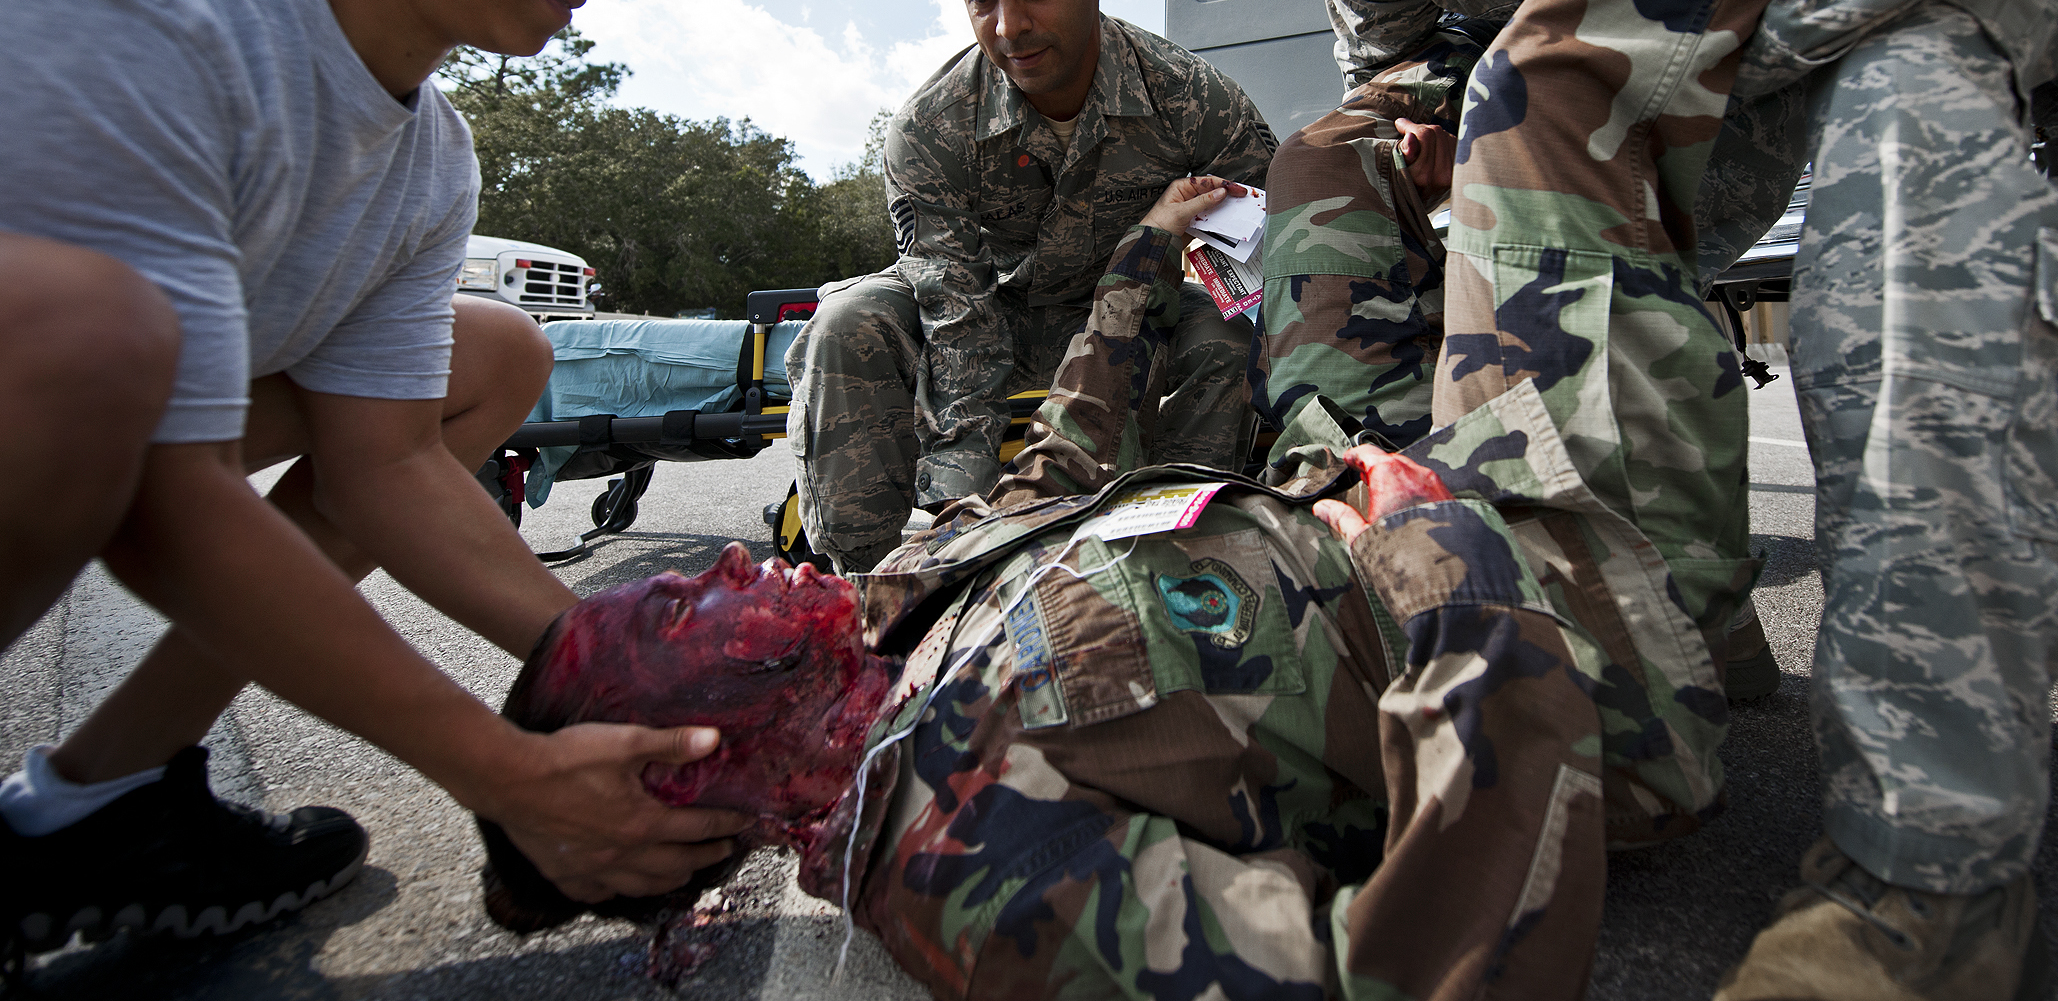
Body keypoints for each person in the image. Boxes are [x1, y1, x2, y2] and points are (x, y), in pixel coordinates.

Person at [1162, 0, 2058, 1000]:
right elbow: (1421, 99)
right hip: (1632, 96)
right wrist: (1448, 157)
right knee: (1331, 167)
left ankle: (1934, 882)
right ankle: (1497, 598)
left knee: (1891, 223)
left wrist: (1770, 52)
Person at [485, 174, 1733, 1001]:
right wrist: (1448, 575)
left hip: (1395, 481)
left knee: (1337, 173)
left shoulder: (902, 608)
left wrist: (1147, 250)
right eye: (670, 609)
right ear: (688, 768)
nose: (721, 561)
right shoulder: (971, 870)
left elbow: (1061, 456)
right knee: (1544, 121)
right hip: (1583, 632)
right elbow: (1409, 978)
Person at [0, 0, 746, 965]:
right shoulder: (158, 8)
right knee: (92, 347)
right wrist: (506, 771)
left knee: (493, 359)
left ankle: (99, 801)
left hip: (87, 399)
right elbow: (164, 505)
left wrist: (641, 668)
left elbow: (385, 464)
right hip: (56, 371)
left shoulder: (429, 156)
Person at [786, 0, 1276, 572]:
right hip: (986, 316)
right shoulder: (930, 129)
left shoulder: (1193, 102)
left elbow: (1270, 249)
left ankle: (1177, 556)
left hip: (1130, 312)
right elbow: (957, 319)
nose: (1008, 25)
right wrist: (960, 520)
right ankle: (869, 585)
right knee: (847, 322)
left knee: (1228, 330)